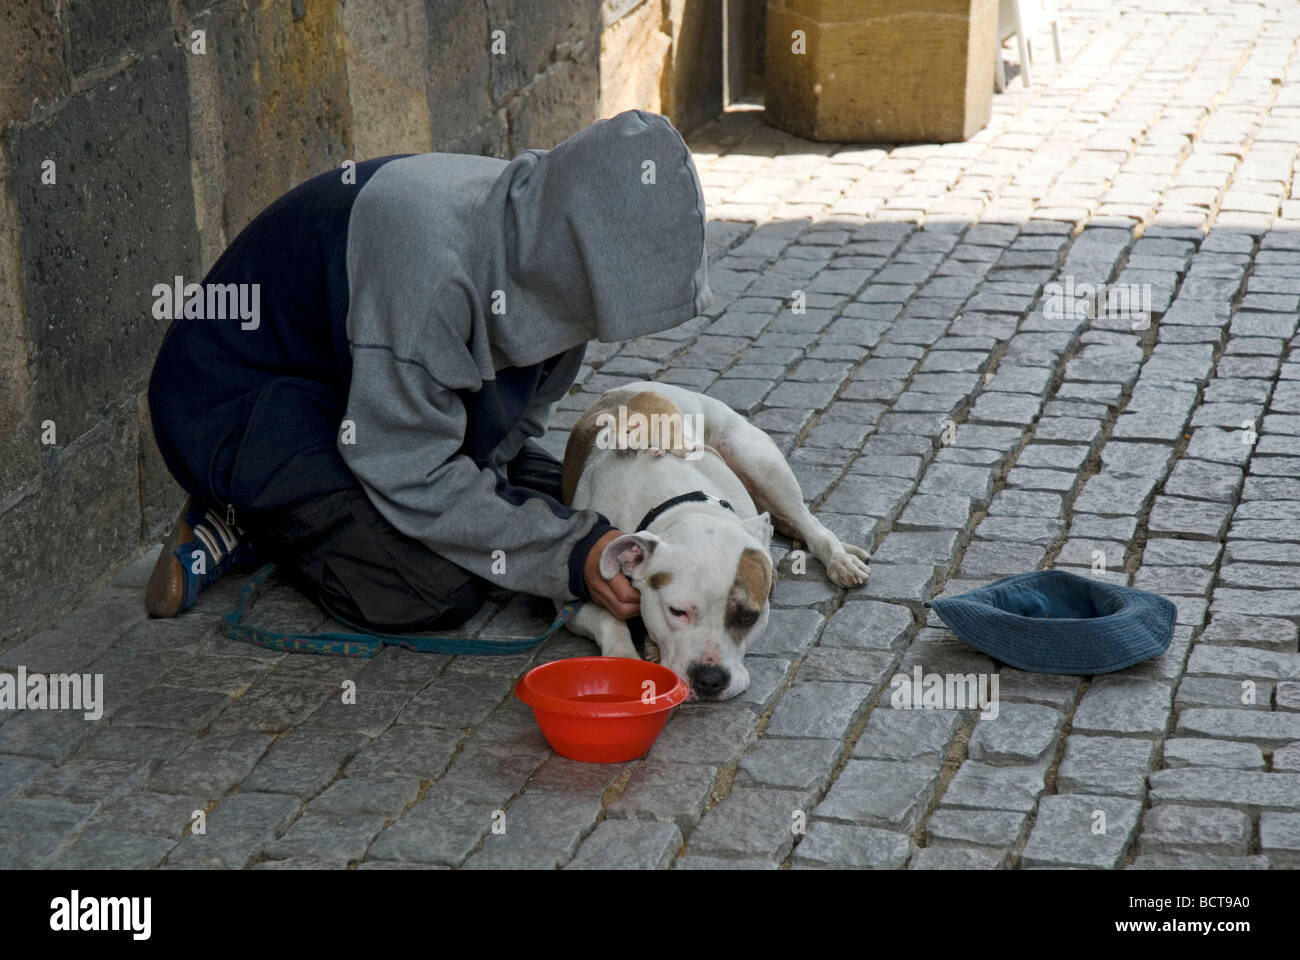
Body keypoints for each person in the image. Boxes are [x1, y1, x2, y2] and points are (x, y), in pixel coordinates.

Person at [144, 109, 711, 633]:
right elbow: (411, 468)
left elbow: (516, 425)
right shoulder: (434, 276)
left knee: (587, 515)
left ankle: (308, 516)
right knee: (435, 586)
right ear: (584, 254)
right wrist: (566, 554)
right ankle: (251, 516)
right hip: (244, 410)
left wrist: (569, 540)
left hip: (370, 397)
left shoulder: (545, 239)